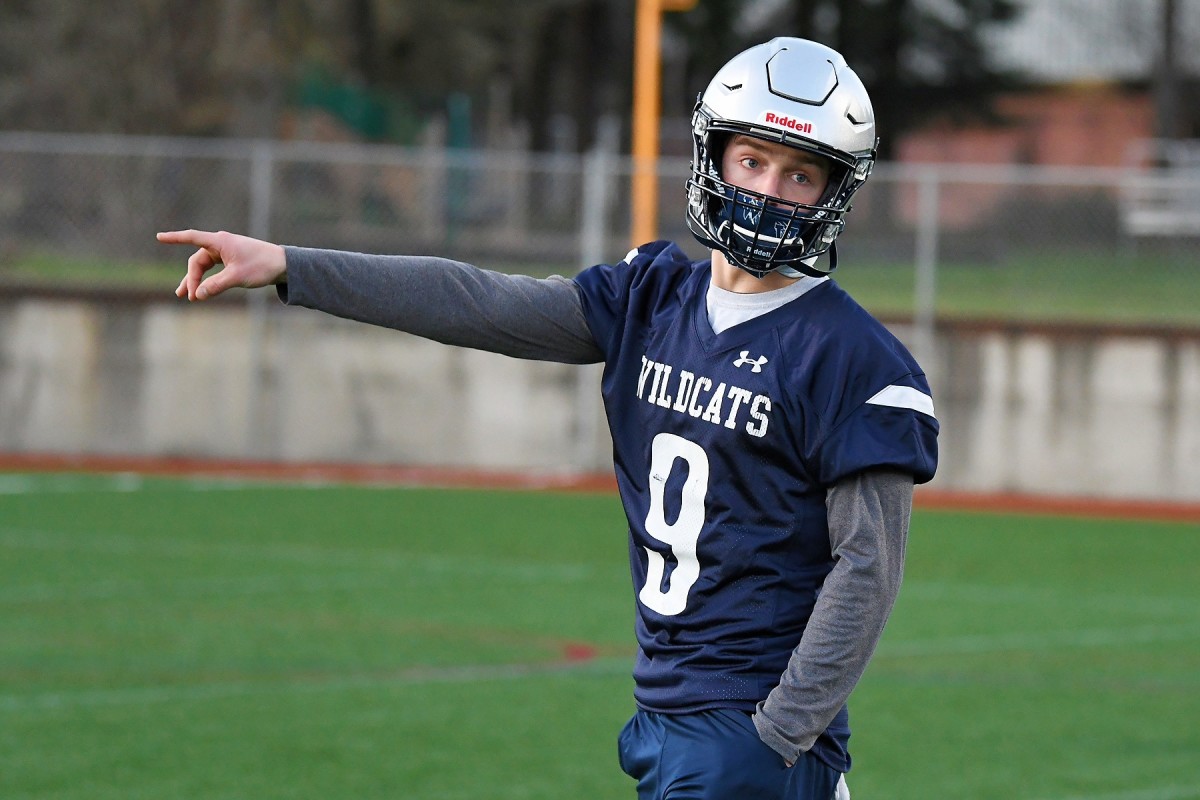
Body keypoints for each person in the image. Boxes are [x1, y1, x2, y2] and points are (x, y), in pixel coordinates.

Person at [159, 37, 937, 800]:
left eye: (800, 174)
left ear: (834, 192)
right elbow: (476, 302)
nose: (768, 190)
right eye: (752, 160)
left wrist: (777, 735)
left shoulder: (856, 361)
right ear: (713, 155)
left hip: (748, 730)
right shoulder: (651, 299)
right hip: (666, 715)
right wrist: (293, 264)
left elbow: (868, 569)